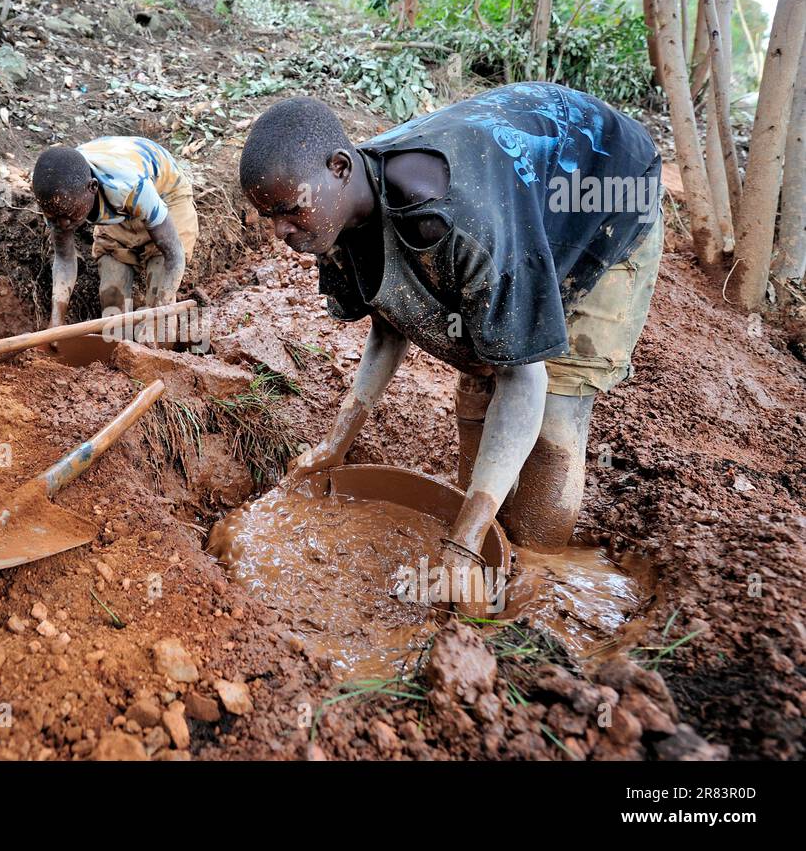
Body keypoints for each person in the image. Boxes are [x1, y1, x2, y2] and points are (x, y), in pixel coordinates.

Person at [238, 83, 662, 612]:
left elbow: (523, 374)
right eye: (268, 216)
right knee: (481, 375)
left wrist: (464, 540)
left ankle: (535, 587)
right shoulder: (332, 217)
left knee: (553, 411)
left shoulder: (459, 220)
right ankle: (486, 541)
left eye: (287, 210)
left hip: (603, 195)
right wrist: (337, 442)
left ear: (340, 168)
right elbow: (392, 321)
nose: (278, 230)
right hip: (515, 206)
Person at [31, 136, 198, 332]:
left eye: (69, 215)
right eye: (55, 217)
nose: (63, 224)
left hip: (166, 197)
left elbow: (174, 255)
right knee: (112, 307)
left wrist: (160, 309)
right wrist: (56, 324)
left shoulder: (129, 186)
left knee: (158, 320)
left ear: (92, 188)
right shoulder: (57, 200)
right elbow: (65, 260)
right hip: (119, 209)